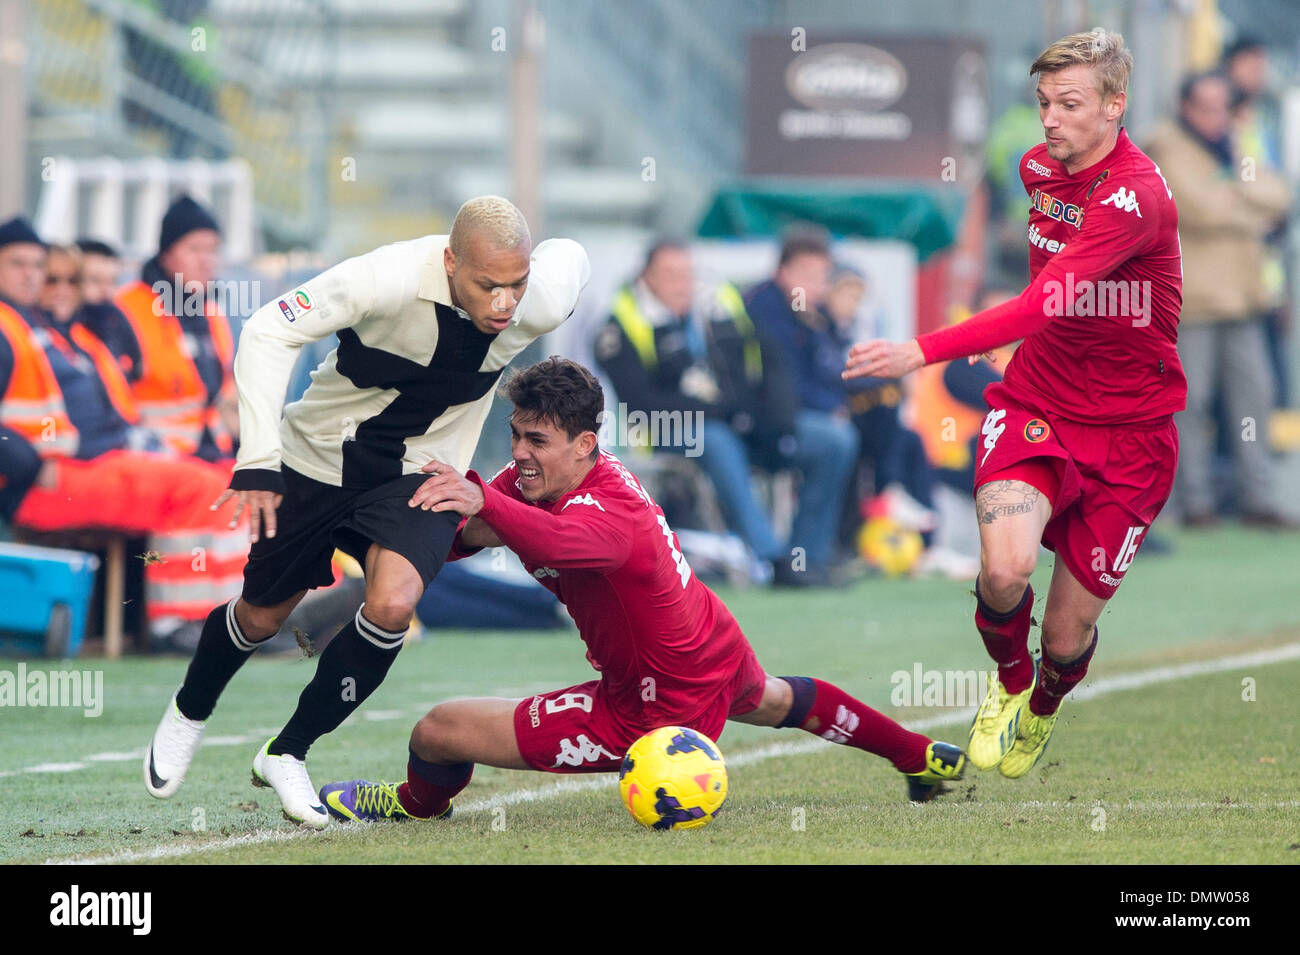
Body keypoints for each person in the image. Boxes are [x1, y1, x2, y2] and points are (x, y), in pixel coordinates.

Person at [315, 358, 966, 823]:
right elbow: (467, 539)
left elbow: (562, 545)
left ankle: (412, 805)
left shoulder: (610, 511)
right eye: (515, 436)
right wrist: (384, 532)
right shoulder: (538, 479)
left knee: (437, 730)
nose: (519, 454)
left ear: (585, 444)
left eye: (535, 440)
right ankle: (918, 755)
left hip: (654, 703)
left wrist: (482, 497)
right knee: (775, 697)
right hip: (711, 643)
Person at [142, 196, 590, 828]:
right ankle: (190, 708)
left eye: (515, 286)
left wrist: (537, 267)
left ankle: (288, 750)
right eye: (487, 286)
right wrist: (259, 457)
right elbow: (268, 329)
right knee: (264, 616)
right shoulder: (383, 277)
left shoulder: (534, 296)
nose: (503, 305)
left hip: (418, 474)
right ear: (449, 260)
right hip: (318, 461)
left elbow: (572, 257)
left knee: (393, 604)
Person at [844, 29, 1184, 778]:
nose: (1050, 120)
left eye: (1069, 104)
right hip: (1039, 403)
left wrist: (920, 350)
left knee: (1065, 636)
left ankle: (1045, 699)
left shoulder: (1137, 198)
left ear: (1114, 107)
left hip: (1132, 436)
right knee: (1005, 569)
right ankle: (1007, 682)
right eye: (1042, 104)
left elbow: (1046, 295)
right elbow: (1047, 284)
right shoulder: (1037, 168)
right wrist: (1024, 340)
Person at [0, 222, 249, 645]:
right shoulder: (16, 329)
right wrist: (25, 460)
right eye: (19, 265)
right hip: (42, 481)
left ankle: (253, 611)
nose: (38, 278)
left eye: (47, 270)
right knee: (199, 487)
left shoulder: (62, 334)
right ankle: (177, 624)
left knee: (239, 482)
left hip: (87, 466)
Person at [594, 239, 803, 584]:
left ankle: (811, 554)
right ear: (646, 278)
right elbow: (640, 405)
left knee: (829, 440)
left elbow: (768, 361)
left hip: (734, 420)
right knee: (716, 440)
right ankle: (773, 558)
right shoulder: (620, 324)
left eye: (687, 273)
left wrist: (771, 416)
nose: (682, 283)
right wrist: (716, 410)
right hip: (665, 431)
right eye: (670, 274)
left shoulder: (720, 307)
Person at [1145, 72, 1292, 528]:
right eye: (1205, 106)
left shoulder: (1237, 142)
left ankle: (1258, 499)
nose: (1215, 116)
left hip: (1244, 297)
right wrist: (1253, 208)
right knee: (1190, 405)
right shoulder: (1164, 145)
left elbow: (1282, 194)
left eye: (1222, 106)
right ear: (1185, 106)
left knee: (1255, 400)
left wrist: (1237, 192)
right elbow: (1200, 208)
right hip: (1192, 300)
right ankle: (1195, 503)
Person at [744, 229, 861, 583]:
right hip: (763, 424)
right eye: (807, 274)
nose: (817, 284)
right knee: (835, 441)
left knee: (870, 429)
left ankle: (826, 552)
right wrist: (832, 406)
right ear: (783, 272)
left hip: (805, 415)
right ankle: (804, 558)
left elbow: (832, 370)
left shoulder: (814, 314)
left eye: (822, 275)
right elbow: (785, 386)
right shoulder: (764, 309)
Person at [114, 195, 237, 460]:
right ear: (166, 255)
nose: (206, 260)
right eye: (194, 249)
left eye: (213, 250)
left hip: (214, 455)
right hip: (155, 465)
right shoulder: (126, 310)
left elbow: (224, 399)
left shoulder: (211, 314)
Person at [75, 238, 143, 383]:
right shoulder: (64, 333)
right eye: (95, 280)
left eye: (112, 281)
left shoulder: (118, 324)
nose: (105, 291)